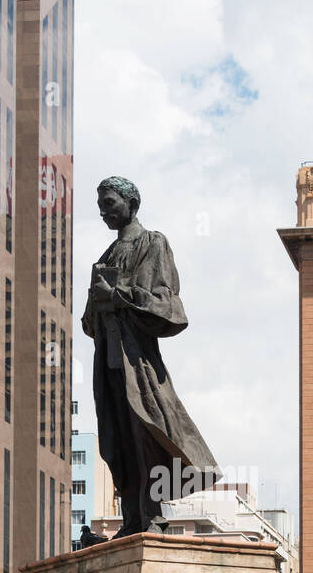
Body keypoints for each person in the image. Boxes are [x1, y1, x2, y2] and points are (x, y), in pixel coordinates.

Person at [82, 177, 221, 537]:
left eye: (109, 203)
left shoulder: (152, 243)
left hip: (137, 363)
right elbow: (89, 323)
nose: (102, 211)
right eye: (100, 204)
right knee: (117, 442)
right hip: (108, 364)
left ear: (130, 203)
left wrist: (117, 294)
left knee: (147, 433)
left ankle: (152, 516)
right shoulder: (104, 258)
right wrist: (96, 303)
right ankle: (132, 520)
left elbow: (167, 303)